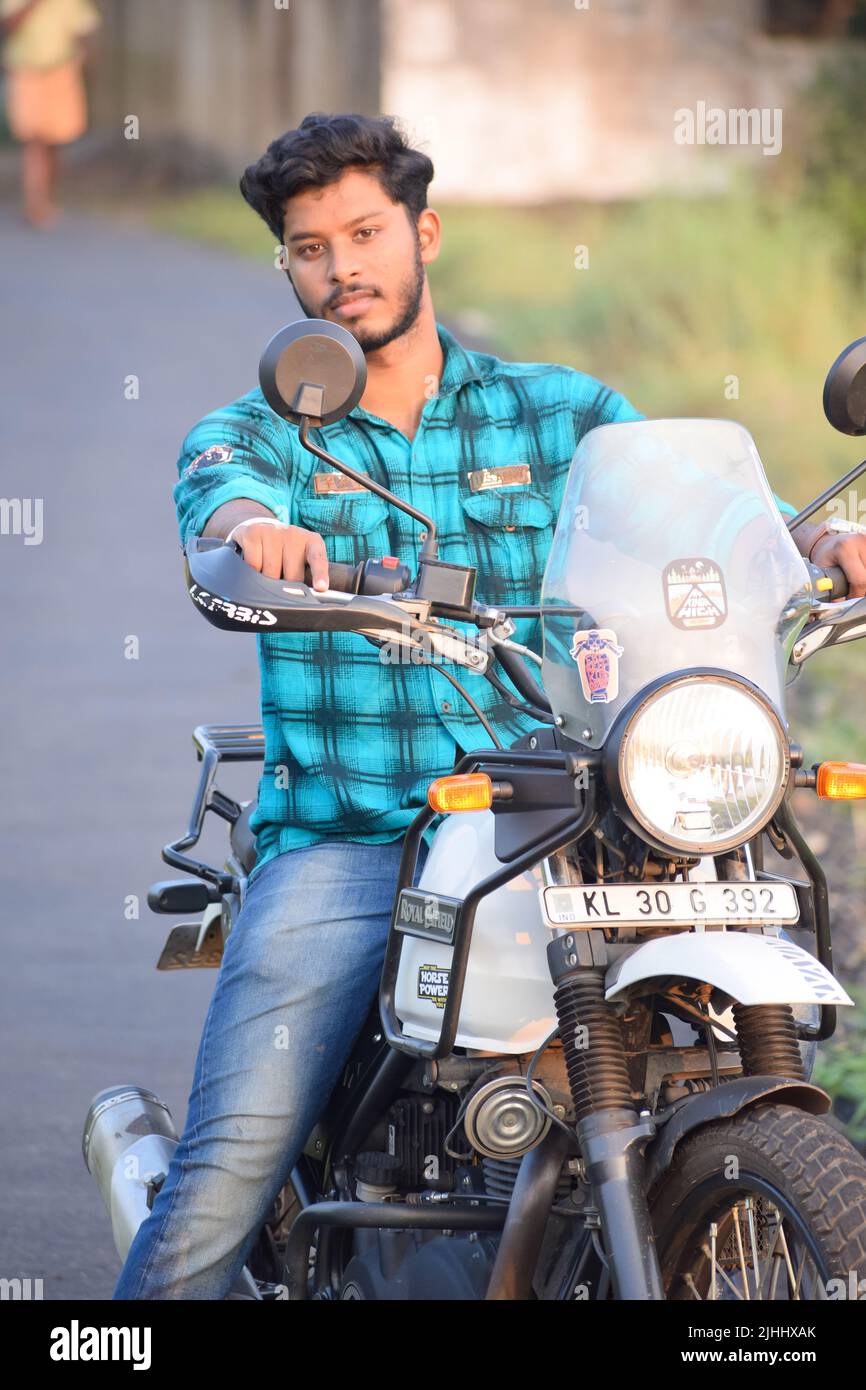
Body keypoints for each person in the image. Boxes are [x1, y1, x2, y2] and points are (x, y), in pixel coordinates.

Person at [113, 112, 865, 1301]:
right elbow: (222, 495)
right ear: (287, 269)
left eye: (363, 233)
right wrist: (253, 532)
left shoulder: (556, 409)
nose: (340, 267)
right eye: (309, 249)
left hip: (576, 807)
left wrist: (815, 536)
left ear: (423, 232)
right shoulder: (268, 427)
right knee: (228, 1168)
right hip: (360, 833)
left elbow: (706, 510)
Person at [0, 0, 100, 227]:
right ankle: (35, 204)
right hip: (26, 71)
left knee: (56, 140)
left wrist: (87, 63)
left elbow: (85, 29)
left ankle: (47, 197)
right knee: (34, 140)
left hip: (62, 71)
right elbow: (8, 25)